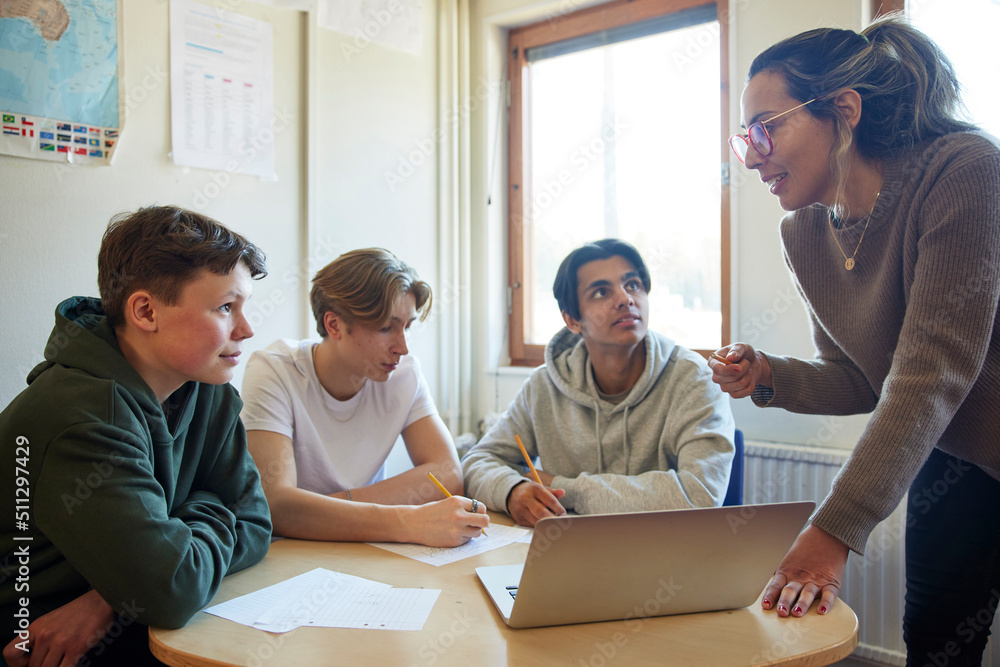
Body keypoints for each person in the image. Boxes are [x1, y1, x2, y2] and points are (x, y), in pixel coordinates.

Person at [715, 14, 1000, 665]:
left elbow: (933, 372)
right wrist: (767, 375)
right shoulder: (805, 234)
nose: (753, 152)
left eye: (767, 127)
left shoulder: (963, 171)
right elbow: (863, 379)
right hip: (957, 455)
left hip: (957, 422)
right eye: (744, 137)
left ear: (842, 110)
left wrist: (835, 526)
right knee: (936, 642)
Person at [0, 206, 272, 666]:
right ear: (146, 311)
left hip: (123, 617)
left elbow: (255, 521)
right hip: (38, 641)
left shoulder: (206, 387)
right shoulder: (82, 416)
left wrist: (106, 599)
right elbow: (171, 590)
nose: (246, 330)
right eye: (226, 307)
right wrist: (203, 515)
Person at [462, 239, 735, 527]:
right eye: (602, 291)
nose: (625, 299)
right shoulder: (544, 386)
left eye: (633, 285)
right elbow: (478, 461)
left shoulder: (694, 380)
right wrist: (512, 491)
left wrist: (564, 487)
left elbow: (700, 496)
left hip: (666, 556)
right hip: (567, 551)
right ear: (572, 320)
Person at [241, 248, 488, 547]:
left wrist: (324, 510)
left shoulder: (404, 374)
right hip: (293, 549)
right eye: (386, 327)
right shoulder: (274, 370)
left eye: (407, 327)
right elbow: (275, 505)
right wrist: (408, 521)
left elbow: (447, 474)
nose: (403, 347)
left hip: (366, 545)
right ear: (334, 325)